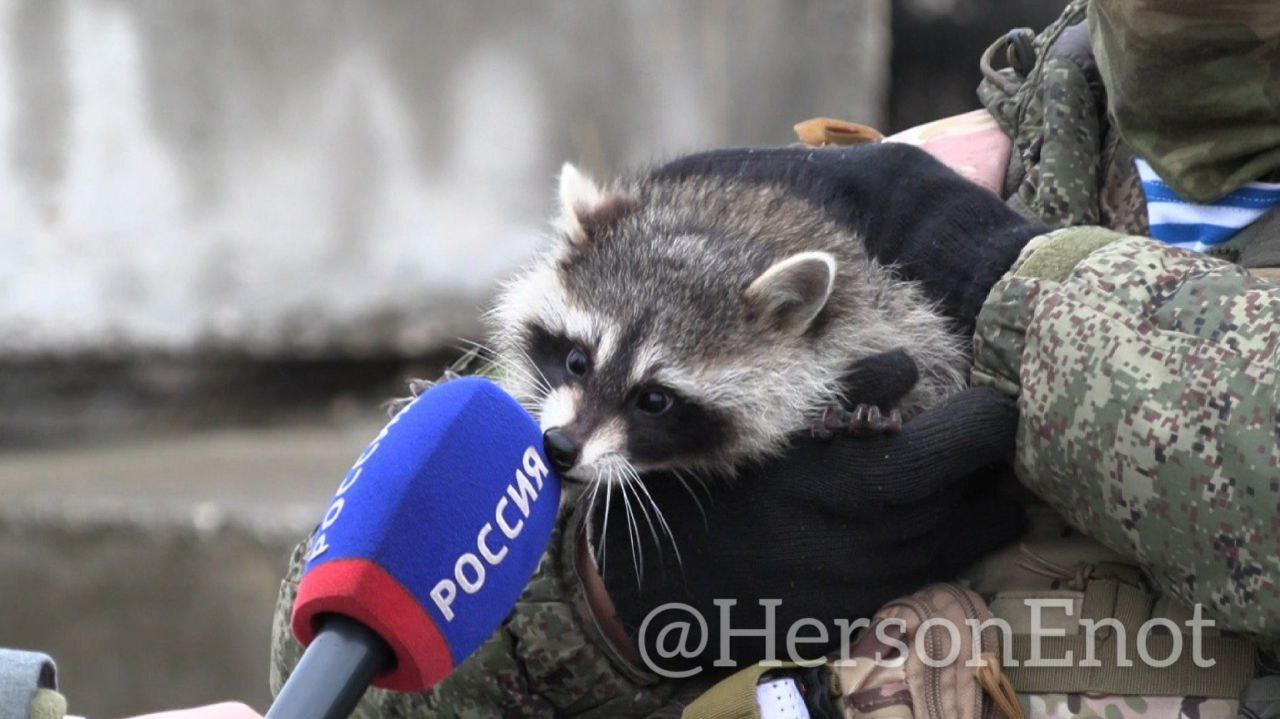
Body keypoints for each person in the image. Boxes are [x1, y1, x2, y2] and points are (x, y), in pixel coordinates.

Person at [269, 0, 1280, 715]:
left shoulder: (926, 220)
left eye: (654, 401)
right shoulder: (952, 161)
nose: (568, 435)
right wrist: (589, 603)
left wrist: (1003, 286)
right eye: (573, 374)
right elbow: (326, 664)